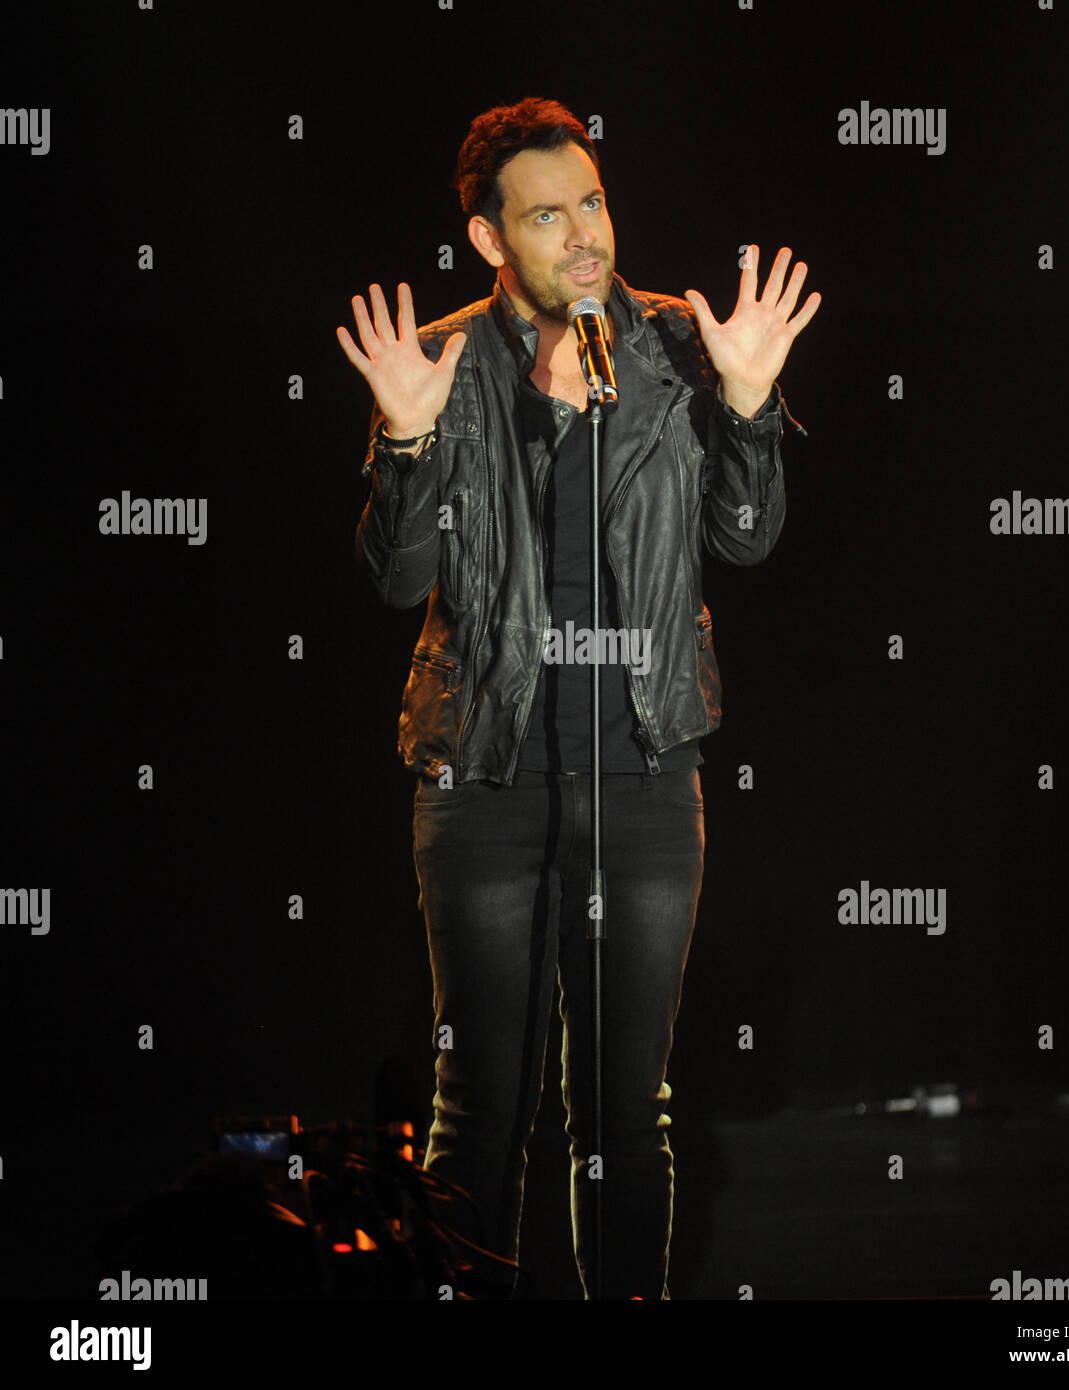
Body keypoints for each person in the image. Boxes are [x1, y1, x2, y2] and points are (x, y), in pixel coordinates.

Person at [338, 97, 820, 1299]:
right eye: (547, 216)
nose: (584, 236)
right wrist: (404, 443)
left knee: (623, 1113)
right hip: (484, 776)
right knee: (479, 1108)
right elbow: (398, 578)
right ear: (492, 241)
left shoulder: (673, 348)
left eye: (592, 203)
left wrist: (752, 412)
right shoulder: (439, 360)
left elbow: (748, 542)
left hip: (646, 774)